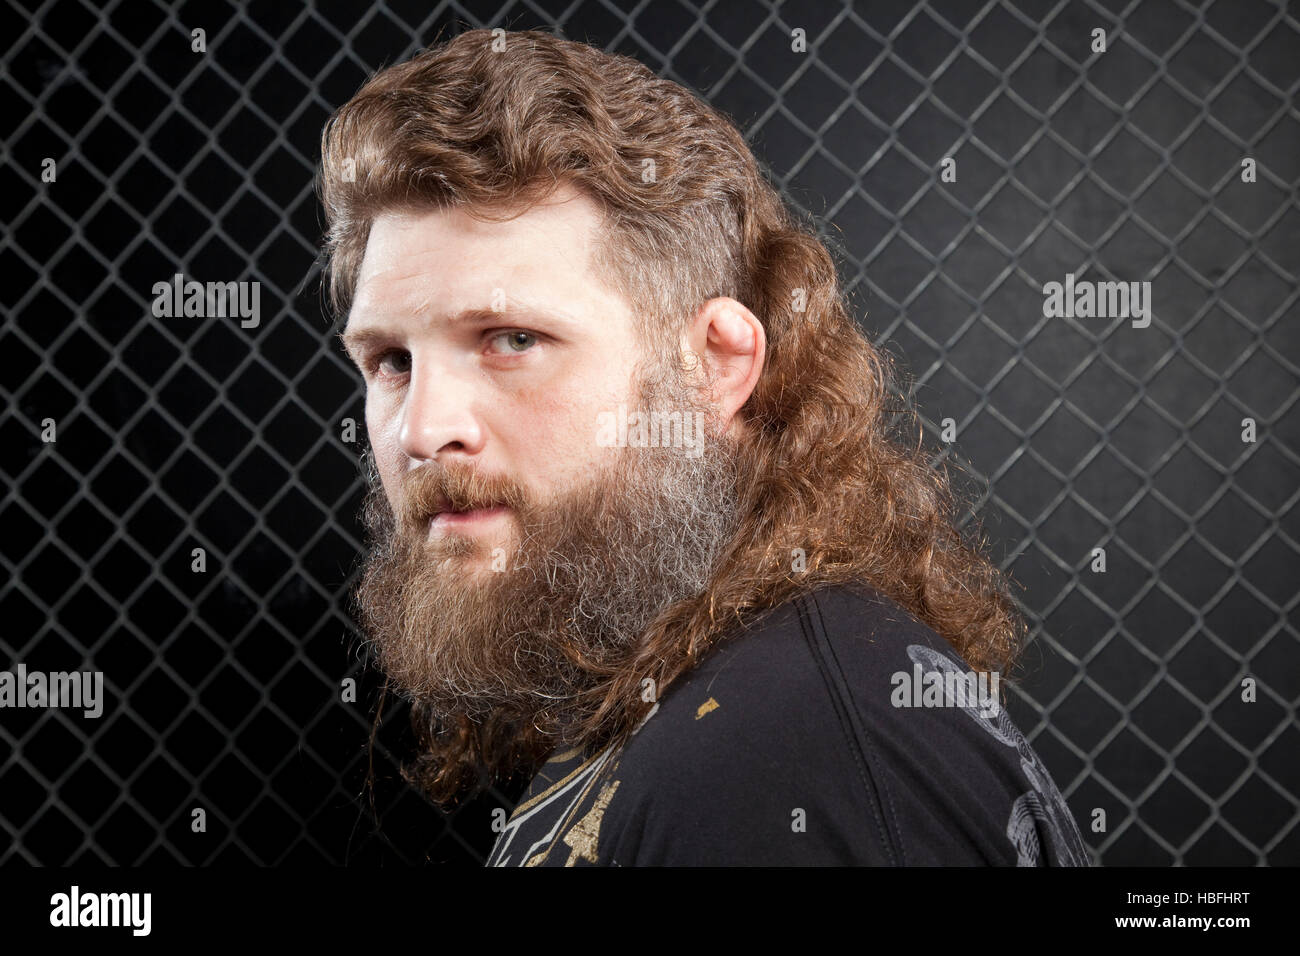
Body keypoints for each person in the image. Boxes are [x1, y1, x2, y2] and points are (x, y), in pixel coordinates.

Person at [319, 27, 1090, 866]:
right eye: (392, 360)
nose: (423, 429)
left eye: (512, 340)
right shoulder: (678, 685)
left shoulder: (791, 755)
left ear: (715, 368)